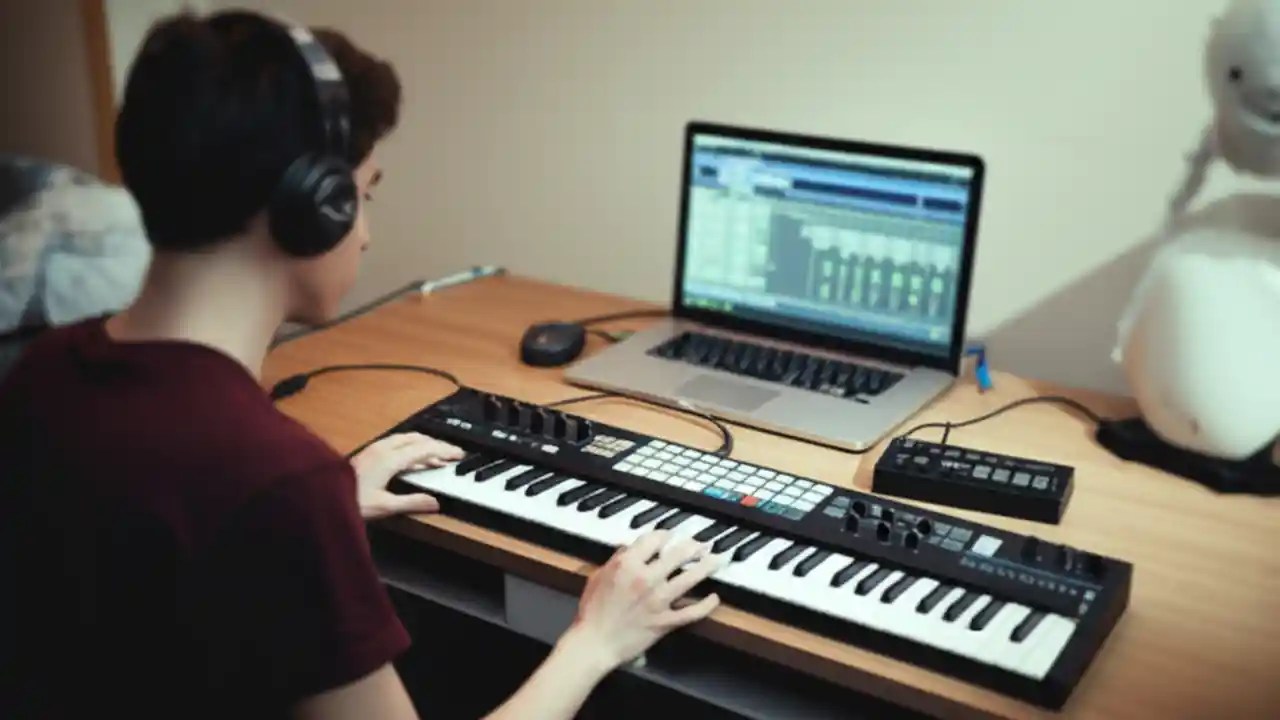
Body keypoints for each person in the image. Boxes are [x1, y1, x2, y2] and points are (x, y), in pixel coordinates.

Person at [0, 10, 721, 720]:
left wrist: (322, 512)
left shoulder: (48, 371)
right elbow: (239, 496)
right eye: (365, 193)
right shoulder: (274, 479)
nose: (368, 232)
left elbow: (159, 572)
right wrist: (595, 640)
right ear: (314, 205)